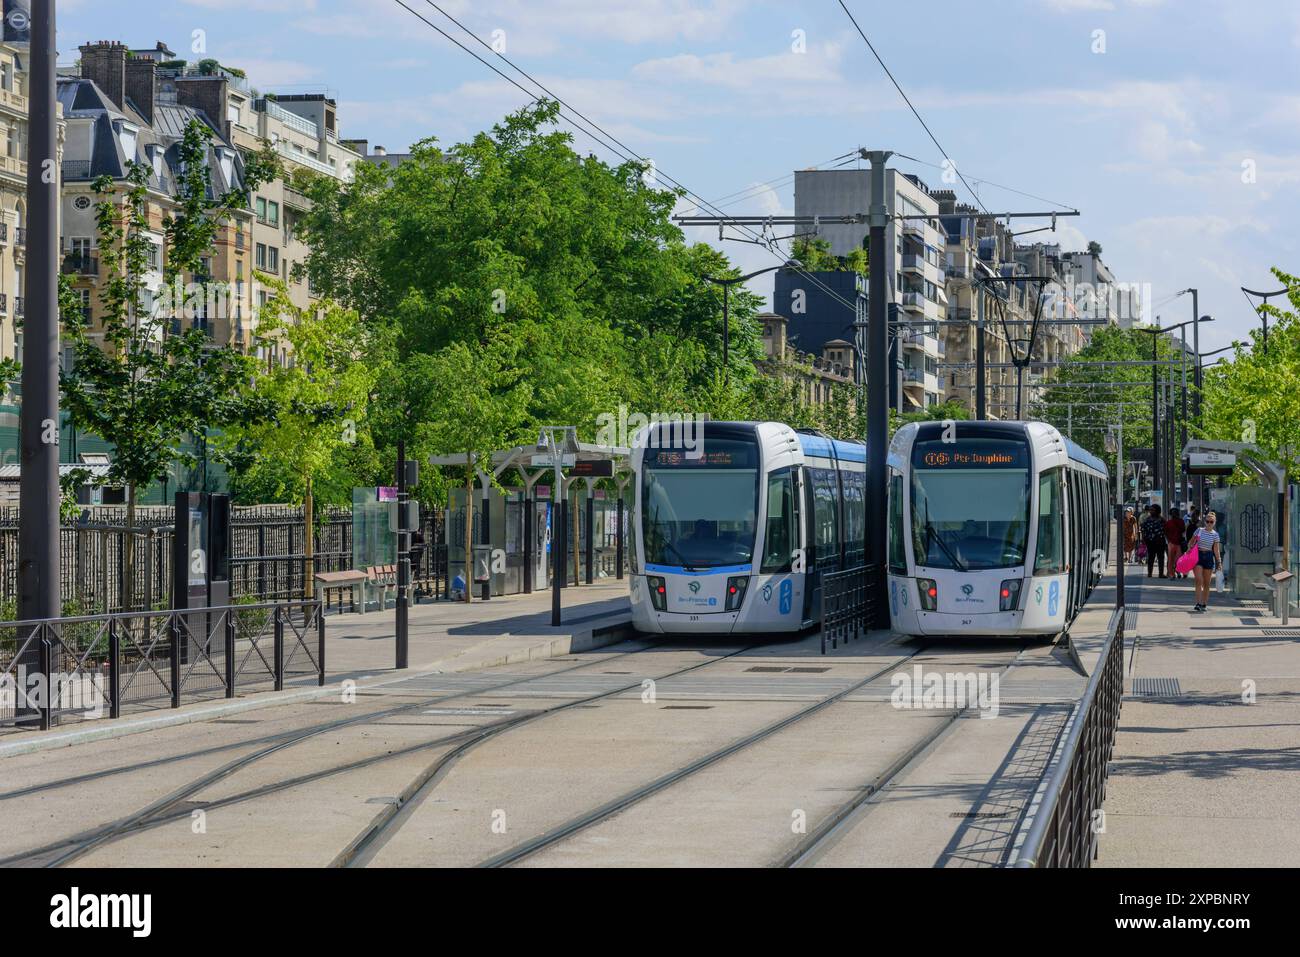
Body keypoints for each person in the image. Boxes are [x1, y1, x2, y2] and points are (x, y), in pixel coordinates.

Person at [1190, 512, 1223, 612]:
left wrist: (1219, 562)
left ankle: (1204, 603)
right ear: (1205, 522)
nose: (1209, 523)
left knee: (1207, 584)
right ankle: (1198, 603)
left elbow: (1216, 550)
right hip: (1198, 555)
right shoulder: (1199, 530)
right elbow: (1191, 541)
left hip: (1209, 556)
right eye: (1207, 521)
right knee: (1198, 579)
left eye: (1211, 522)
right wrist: (1189, 548)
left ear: (1214, 523)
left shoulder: (1215, 535)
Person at [1140, 504, 1166, 578]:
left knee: (1161, 558)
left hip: (1160, 541)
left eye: (1152, 510)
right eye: (1150, 510)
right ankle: (1149, 573)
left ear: (1157, 511)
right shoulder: (1147, 519)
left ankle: (1161, 573)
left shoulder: (1162, 520)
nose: (1151, 511)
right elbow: (1143, 529)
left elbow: (1166, 529)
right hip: (1150, 542)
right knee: (1151, 557)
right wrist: (1144, 539)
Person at [1165, 506, 1186, 579]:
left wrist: (1168, 541)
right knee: (1177, 559)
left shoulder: (1169, 522)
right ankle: (1174, 573)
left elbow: (1165, 533)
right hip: (1177, 543)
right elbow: (1183, 530)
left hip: (1173, 543)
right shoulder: (1181, 521)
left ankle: (1172, 573)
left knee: (1172, 560)